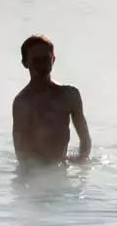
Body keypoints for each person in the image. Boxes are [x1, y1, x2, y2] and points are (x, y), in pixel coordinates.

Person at [12, 36, 91, 167]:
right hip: (33, 173)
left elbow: (85, 137)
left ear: (53, 59)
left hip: (61, 167)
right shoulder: (23, 101)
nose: (42, 64)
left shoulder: (69, 95)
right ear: (25, 63)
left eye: (46, 59)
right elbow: (20, 150)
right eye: (36, 60)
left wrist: (82, 159)